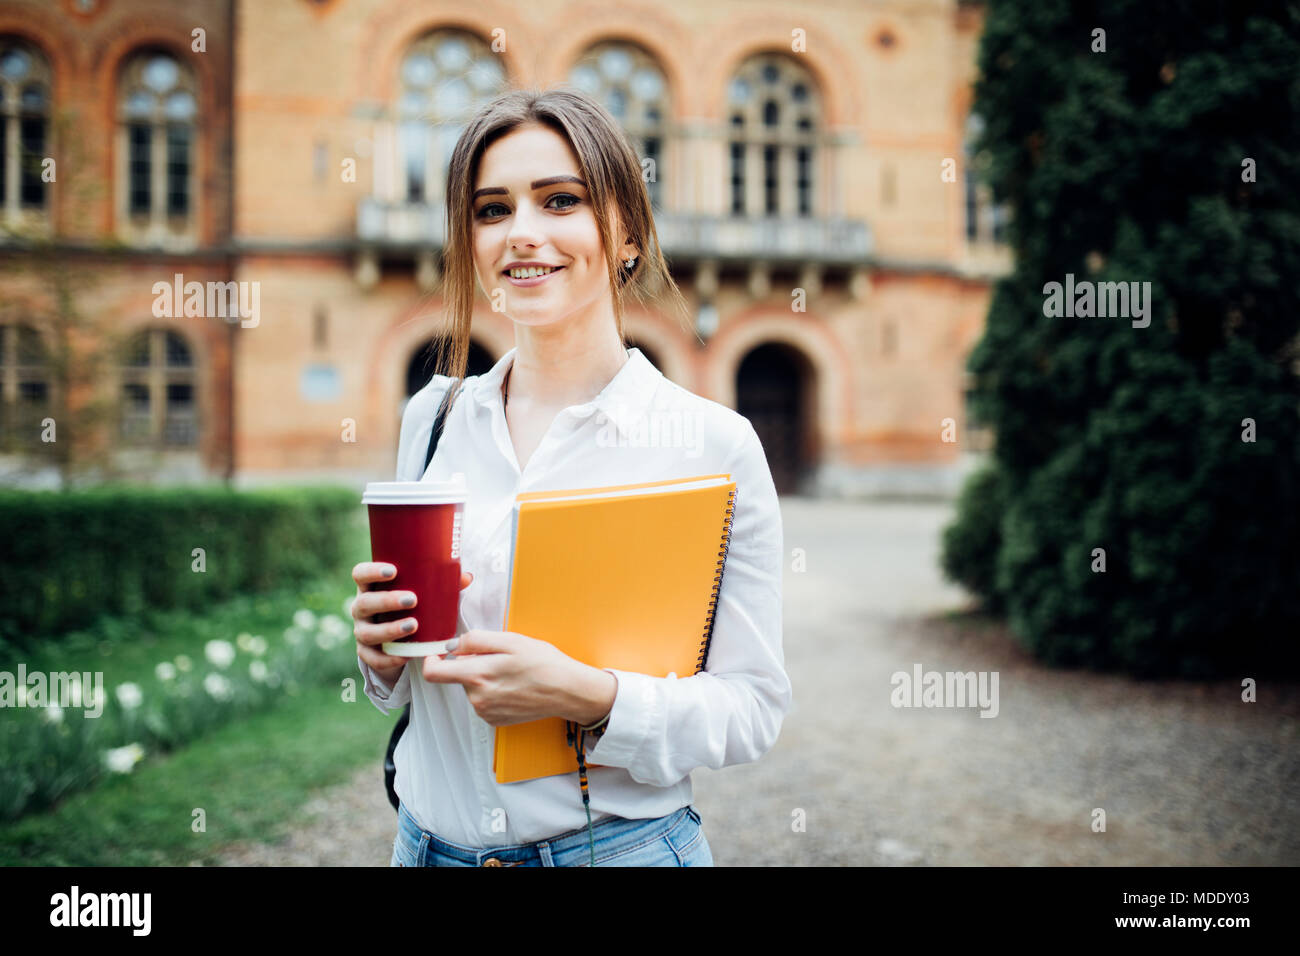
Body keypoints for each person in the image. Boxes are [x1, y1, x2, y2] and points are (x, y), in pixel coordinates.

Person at [350, 86, 790, 867]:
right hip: (422, 849)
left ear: (625, 232)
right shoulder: (434, 418)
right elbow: (411, 673)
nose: (522, 233)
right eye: (491, 210)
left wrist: (593, 697)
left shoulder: (713, 443)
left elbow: (750, 709)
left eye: (560, 201)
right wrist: (382, 656)